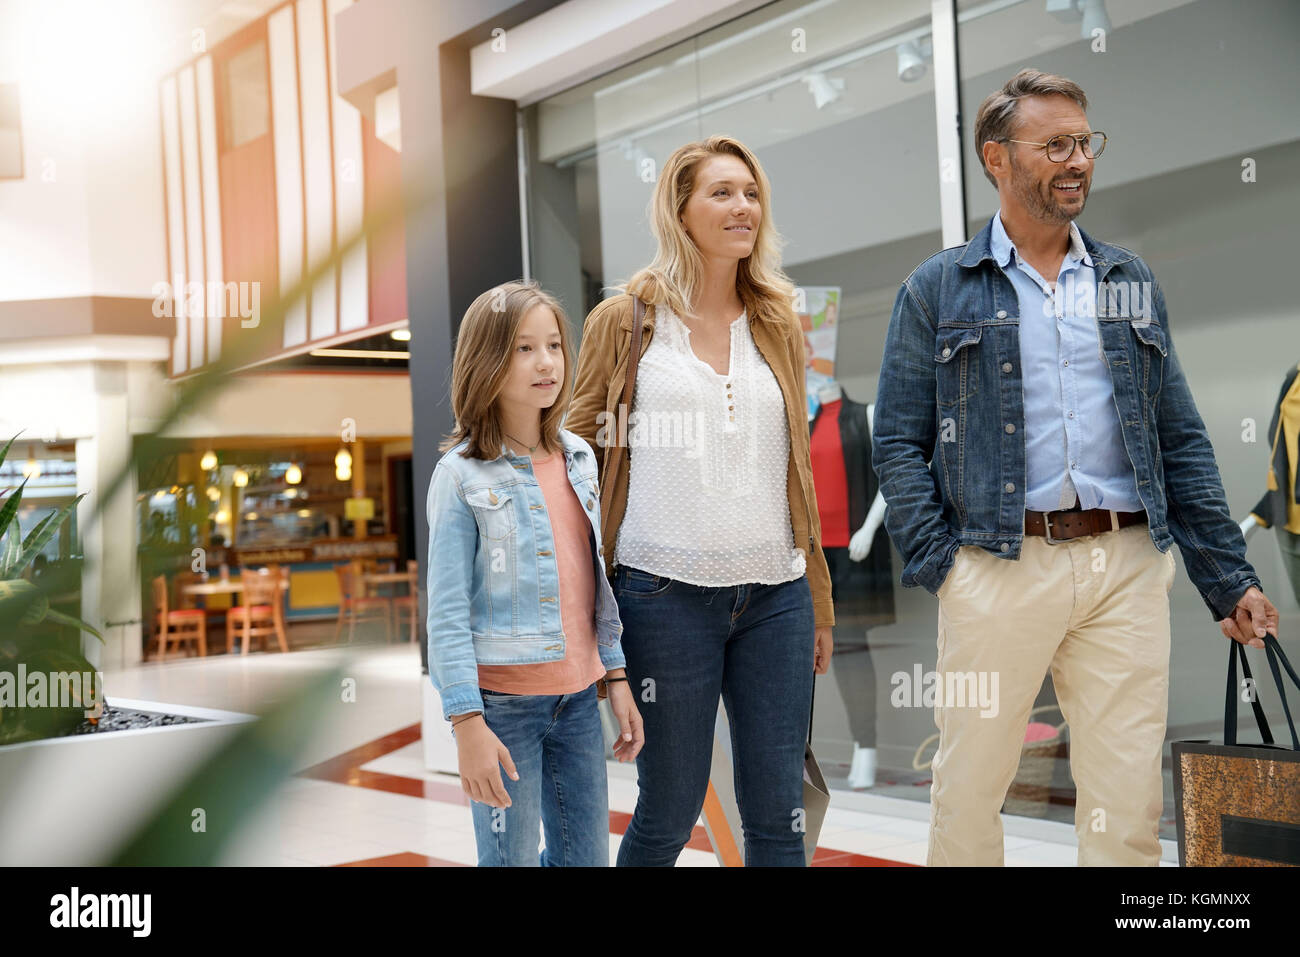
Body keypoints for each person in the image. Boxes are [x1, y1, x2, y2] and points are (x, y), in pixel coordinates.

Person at [872, 69, 1280, 866]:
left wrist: (1226, 577)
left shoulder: (1125, 281)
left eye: (1084, 142)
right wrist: (947, 568)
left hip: (1126, 565)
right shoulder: (939, 288)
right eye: (1053, 144)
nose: (1077, 160)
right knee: (968, 790)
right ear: (998, 158)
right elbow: (899, 441)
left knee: (1127, 806)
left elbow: (1179, 435)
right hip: (998, 564)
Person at [568, 135, 835, 866]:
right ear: (680, 212)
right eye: (722, 192)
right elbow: (575, 456)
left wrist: (817, 594)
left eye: (750, 193)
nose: (742, 206)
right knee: (670, 808)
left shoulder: (778, 322)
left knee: (779, 812)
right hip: (661, 596)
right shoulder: (624, 322)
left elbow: (797, 472)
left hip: (777, 597)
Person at [425, 280, 644, 867]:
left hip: (576, 701)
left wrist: (615, 676)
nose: (546, 362)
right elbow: (445, 614)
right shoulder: (462, 475)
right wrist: (466, 720)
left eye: (553, 345)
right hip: (503, 708)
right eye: (524, 348)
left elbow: (594, 583)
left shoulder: (577, 458)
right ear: (486, 360)